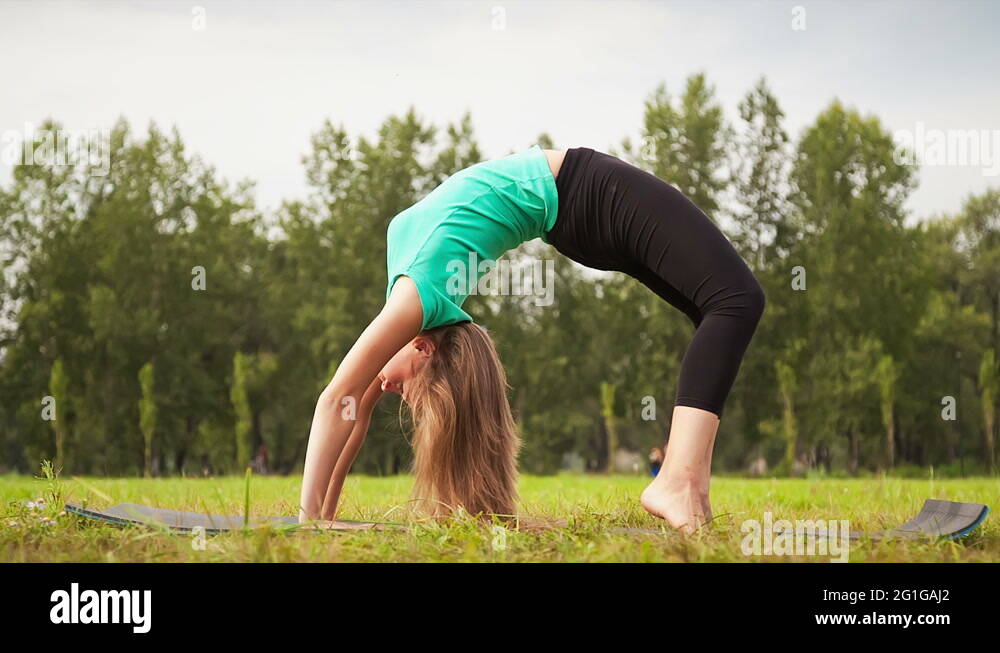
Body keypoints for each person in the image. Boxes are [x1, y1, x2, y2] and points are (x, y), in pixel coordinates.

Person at [298, 145, 765, 534]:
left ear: (424, 347)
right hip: (576, 202)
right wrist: (323, 516)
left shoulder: (411, 303)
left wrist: (309, 521)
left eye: (404, 388)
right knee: (734, 301)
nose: (393, 390)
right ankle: (680, 482)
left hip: (585, 192)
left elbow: (337, 399)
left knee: (725, 304)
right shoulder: (414, 306)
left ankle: (686, 484)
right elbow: (352, 408)